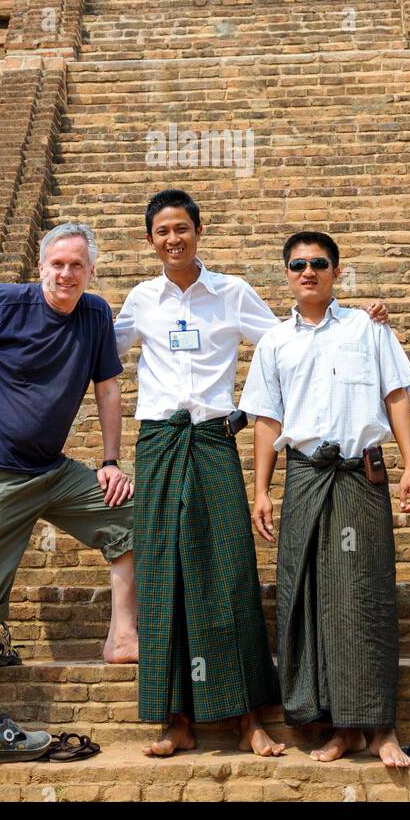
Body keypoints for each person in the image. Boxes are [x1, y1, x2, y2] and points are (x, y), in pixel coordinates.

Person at [114, 189, 390, 759]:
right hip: (160, 440)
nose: (173, 239)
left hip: (215, 439)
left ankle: (248, 721)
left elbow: (290, 344)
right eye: (162, 231)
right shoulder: (141, 301)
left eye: (182, 228)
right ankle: (175, 720)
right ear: (150, 240)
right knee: (163, 573)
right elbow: (97, 354)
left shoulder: (231, 293)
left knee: (230, 571)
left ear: (198, 231)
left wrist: (365, 319)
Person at [0, 222, 137, 764]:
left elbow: (107, 388)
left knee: (132, 514)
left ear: (90, 271)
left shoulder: (95, 315)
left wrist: (110, 461)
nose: (66, 274)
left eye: (77, 265)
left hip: (53, 472)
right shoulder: (4, 303)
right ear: (41, 267)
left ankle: (122, 638)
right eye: (57, 264)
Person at [240, 230, 410, 769]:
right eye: (298, 264)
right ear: (287, 274)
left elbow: (396, 396)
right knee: (309, 597)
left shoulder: (369, 328)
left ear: (336, 272)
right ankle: (336, 726)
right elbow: (267, 421)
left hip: (359, 474)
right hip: (304, 476)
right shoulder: (276, 342)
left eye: (319, 263)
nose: (308, 271)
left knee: (364, 595)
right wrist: (261, 491)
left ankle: (381, 727)